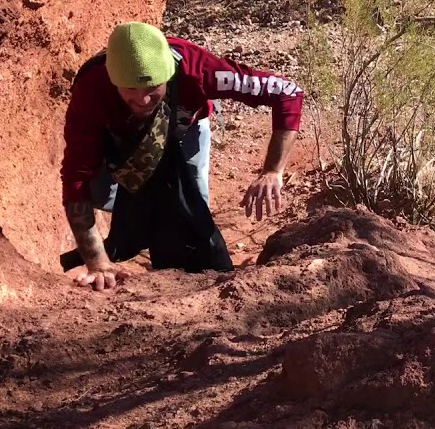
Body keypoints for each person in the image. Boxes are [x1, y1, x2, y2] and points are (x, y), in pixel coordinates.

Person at [59, 22, 303, 290]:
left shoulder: (197, 68)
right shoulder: (91, 89)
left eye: (153, 88)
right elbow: (76, 178)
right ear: (112, 78)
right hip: (119, 138)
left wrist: (272, 171)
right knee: (103, 196)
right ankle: (139, 232)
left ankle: (191, 276)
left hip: (184, 128)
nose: (142, 99)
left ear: (170, 74)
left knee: (191, 206)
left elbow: (287, 92)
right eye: (130, 89)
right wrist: (97, 263)